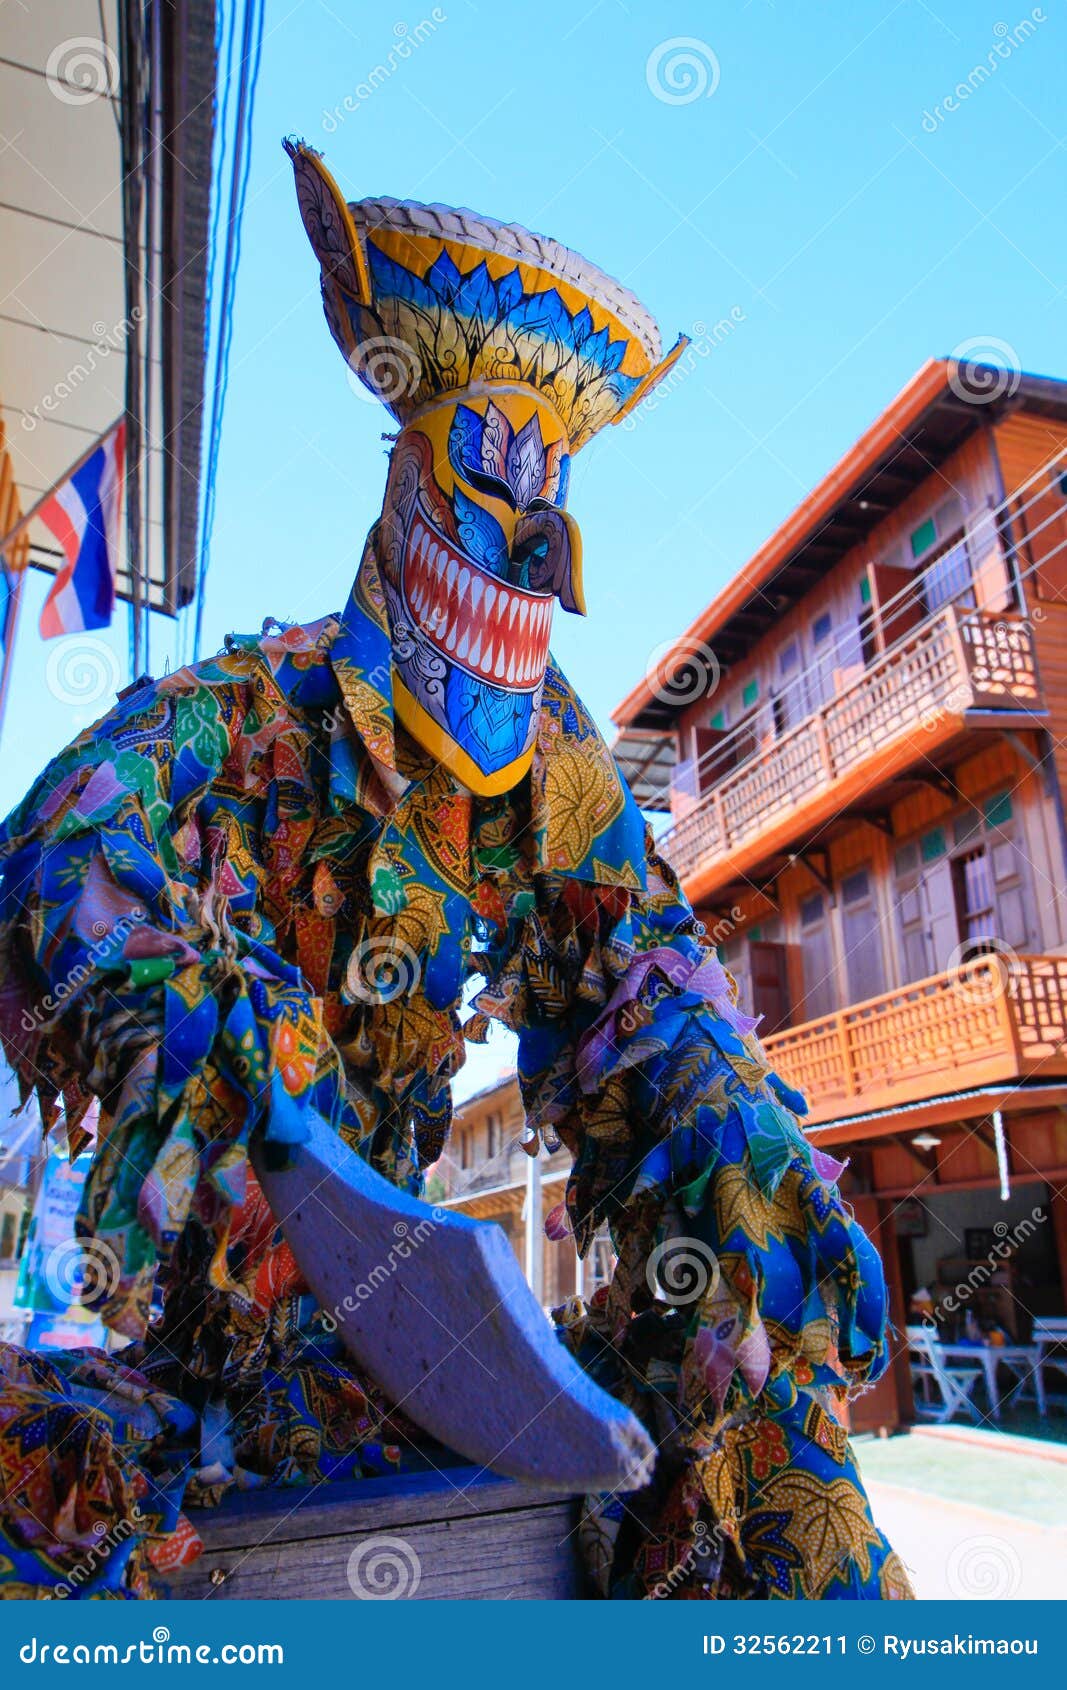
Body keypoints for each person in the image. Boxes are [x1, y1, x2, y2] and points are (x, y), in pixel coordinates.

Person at [0, 142, 911, 1600]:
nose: (541, 543)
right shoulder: (256, 710)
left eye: (556, 498)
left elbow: (645, 1001)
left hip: (435, 1363)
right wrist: (221, 1044)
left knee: (767, 1460)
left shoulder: (560, 775)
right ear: (411, 482)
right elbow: (59, 839)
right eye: (495, 475)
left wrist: (746, 1153)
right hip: (216, 1355)